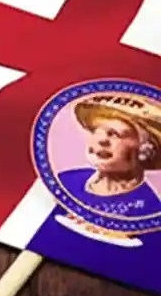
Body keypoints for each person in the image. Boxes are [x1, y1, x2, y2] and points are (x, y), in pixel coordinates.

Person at [56, 93, 161, 235]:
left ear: (146, 149)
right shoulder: (65, 180)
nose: (101, 140)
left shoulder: (149, 208)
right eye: (95, 131)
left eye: (114, 134)